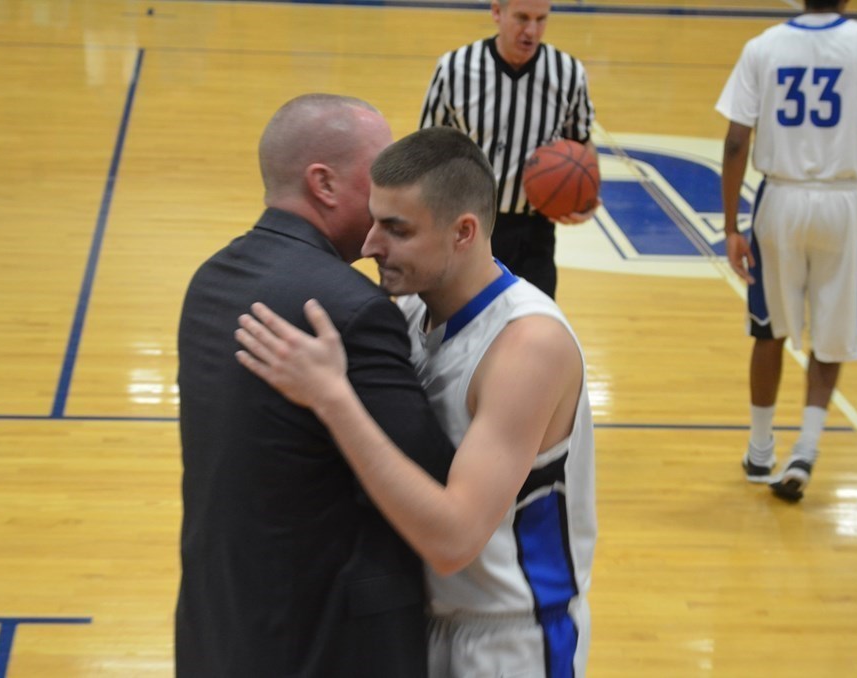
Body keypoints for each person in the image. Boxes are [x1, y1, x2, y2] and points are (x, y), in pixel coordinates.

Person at [236, 127, 597, 678]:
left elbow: (454, 540)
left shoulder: (528, 346)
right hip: (416, 618)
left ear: (463, 233)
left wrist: (332, 397)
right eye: (375, 219)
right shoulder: (404, 314)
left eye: (397, 230)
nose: (369, 244)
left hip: (512, 637)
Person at [175, 94, 455, 677]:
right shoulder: (348, 309)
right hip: (326, 644)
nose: (393, 193)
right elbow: (435, 484)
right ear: (323, 184)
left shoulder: (210, 280)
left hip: (220, 624)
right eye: (381, 174)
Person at [716, 0, 857, 502]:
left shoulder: (764, 46)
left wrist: (732, 226)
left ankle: (759, 451)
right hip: (845, 201)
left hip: (780, 197)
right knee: (832, 332)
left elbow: (736, 142)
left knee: (768, 328)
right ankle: (806, 450)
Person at [419, 0, 599, 299]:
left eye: (541, 19)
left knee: (531, 332)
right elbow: (426, 151)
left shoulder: (567, 73)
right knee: (458, 331)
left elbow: (580, 141)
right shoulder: (454, 69)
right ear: (496, 12)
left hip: (534, 233)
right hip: (466, 226)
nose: (532, 30)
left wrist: (587, 198)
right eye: (522, 18)